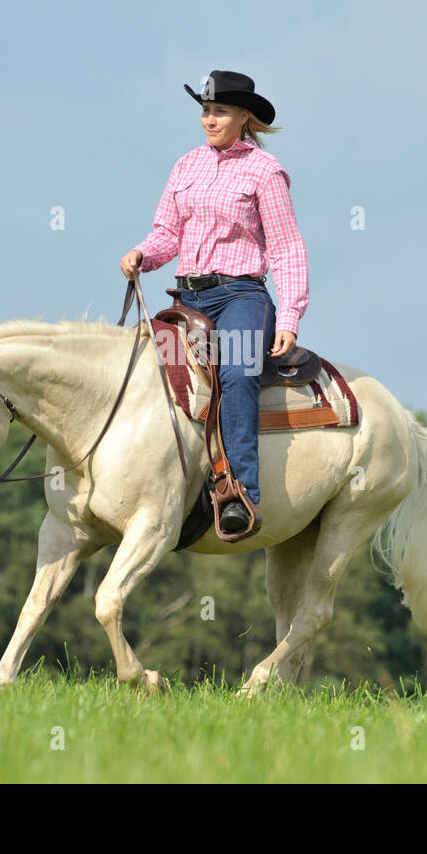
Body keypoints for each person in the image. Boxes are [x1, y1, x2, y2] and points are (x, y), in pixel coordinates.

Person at [119, 70, 309, 537]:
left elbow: (286, 248)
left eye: (219, 111)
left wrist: (289, 316)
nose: (209, 119)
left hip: (242, 296)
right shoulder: (185, 166)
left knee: (237, 372)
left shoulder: (265, 171)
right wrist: (144, 254)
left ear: (244, 118)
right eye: (205, 111)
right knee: (152, 371)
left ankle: (239, 493)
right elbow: (167, 233)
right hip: (188, 297)